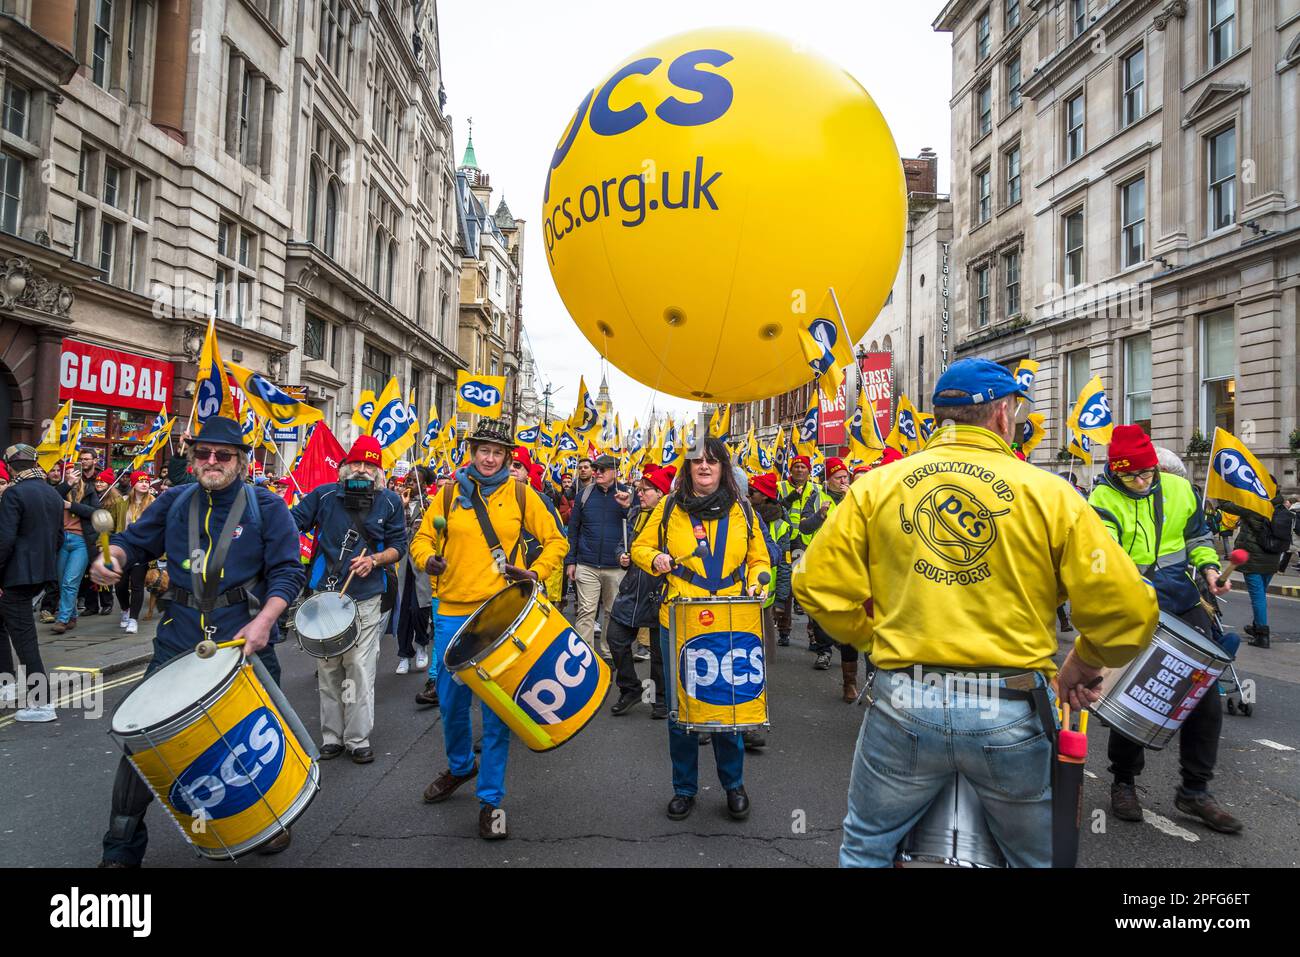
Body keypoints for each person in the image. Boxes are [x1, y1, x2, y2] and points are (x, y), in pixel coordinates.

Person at [794, 358, 1158, 868]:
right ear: (1004, 416)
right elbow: (1127, 607)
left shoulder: (877, 487)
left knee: (866, 848)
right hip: (1009, 707)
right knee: (1037, 859)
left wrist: (875, 639)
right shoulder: (1051, 494)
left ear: (939, 417)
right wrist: (1086, 659)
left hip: (904, 702)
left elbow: (816, 584)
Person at [91, 416, 305, 866]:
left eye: (222, 455)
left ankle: (267, 821)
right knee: (142, 741)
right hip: (179, 639)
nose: (212, 461)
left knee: (249, 741)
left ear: (241, 462)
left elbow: (288, 571)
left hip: (244, 641)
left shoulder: (267, 508)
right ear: (192, 459)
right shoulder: (173, 501)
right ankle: (120, 851)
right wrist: (113, 556)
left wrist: (266, 619)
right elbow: (134, 542)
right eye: (203, 453)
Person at [409, 417, 568, 840]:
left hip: (500, 614)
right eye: (483, 450)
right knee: (451, 702)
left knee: (498, 711)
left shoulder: (522, 494)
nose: (489, 457)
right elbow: (420, 540)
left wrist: (534, 572)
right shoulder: (446, 495)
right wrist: (429, 560)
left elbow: (557, 540)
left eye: (497, 452)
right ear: (472, 451)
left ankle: (490, 800)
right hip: (451, 612)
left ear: (507, 457)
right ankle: (461, 766)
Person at [1089, 424, 1239, 833]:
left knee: (1203, 696)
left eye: (1146, 473)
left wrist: (1210, 568)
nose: (1140, 482)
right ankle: (1124, 781)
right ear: (1114, 472)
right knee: (1138, 697)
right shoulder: (1102, 499)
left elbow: (1198, 539)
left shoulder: (1179, 490)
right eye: (1130, 476)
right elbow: (1108, 558)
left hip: (1183, 601)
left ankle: (1195, 791)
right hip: (1135, 607)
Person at [631, 437, 770, 823]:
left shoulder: (742, 509)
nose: (704, 467)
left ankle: (734, 785)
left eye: (712, 461)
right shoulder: (668, 507)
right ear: (688, 468)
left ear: (724, 468)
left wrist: (759, 579)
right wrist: (654, 557)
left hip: (730, 616)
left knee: (728, 706)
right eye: (697, 462)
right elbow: (640, 548)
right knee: (681, 710)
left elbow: (760, 557)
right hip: (679, 619)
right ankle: (684, 789)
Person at [291, 435, 406, 764]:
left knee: (358, 667)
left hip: (366, 596)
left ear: (379, 471)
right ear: (343, 467)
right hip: (326, 596)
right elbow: (291, 524)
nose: (362, 469)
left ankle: (357, 738)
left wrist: (376, 560)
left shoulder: (390, 502)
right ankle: (332, 737)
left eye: (370, 464)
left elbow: (399, 545)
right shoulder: (323, 496)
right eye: (356, 462)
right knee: (328, 668)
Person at [0, 444, 65, 722]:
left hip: (15, 576)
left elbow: (5, 540)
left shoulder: (15, 492)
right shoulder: (51, 492)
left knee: (25, 639)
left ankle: (41, 703)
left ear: (11, 466)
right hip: (39, 574)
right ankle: (6, 684)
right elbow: (59, 538)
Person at [606, 464, 675, 717]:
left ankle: (660, 699)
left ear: (661, 494)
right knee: (615, 638)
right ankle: (630, 688)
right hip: (632, 589)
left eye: (646, 490)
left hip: (658, 591)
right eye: (640, 489)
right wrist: (621, 556)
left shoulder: (672, 518)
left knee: (659, 652)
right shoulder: (634, 515)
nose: (640, 494)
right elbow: (620, 544)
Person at [565, 453, 630, 660]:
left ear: (615, 472)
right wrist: (571, 561)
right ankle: (585, 657)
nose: (597, 473)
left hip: (615, 566)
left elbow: (636, 528)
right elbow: (573, 529)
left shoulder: (628, 494)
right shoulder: (584, 495)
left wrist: (627, 508)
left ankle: (608, 652)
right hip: (587, 564)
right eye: (596, 469)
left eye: (602, 469)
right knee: (586, 611)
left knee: (612, 611)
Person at [800, 457, 860, 679]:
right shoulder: (817, 498)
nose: (843, 480)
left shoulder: (855, 496)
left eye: (845, 476)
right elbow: (804, 527)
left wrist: (850, 499)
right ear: (828, 480)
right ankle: (824, 651)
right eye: (838, 477)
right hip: (822, 561)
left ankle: (843, 646)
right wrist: (819, 515)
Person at [1219, 492, 1294, 650]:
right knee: (1261, 595)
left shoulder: (1254, 505)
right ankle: (1257, 626)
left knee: (1258, 598)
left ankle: (1262, 635)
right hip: (1272, 559)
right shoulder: (1280, 507)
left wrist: (1222, 489)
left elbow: (1226, 506)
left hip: (1253, 559)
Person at [50, 455, 103, 633]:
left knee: (70, 582)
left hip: (81, 541)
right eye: (70, 471)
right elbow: (50, 499)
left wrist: (70, 506)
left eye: (76, 471)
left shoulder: (88, 490)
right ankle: (72, 615)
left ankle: (62, 619)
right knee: (61, 581)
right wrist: (67, 485)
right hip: (62, 540)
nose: (73, 474)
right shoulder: (59, 490)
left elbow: (95, 512)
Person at [775, 454, 819, 649]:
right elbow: (776, 508)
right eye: (797, 466)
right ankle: (784, 631)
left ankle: (814, 636)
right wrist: (792, 497)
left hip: (808, 544)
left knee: (805, 588)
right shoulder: (780, 487)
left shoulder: (817, 489)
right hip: (788, 542)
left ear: (809, 471)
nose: (800, 470)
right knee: (787, 587)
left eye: (803, 467)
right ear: (791, 469)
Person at [394, 467, 434, 675]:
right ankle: (404, 654)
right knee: (404, 611)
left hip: (420, 563)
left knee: (419, 607)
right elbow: (396, 529)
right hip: (402, 563)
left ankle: (421, 644)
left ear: (424, 485)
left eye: (414, 481)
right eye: (408, 479)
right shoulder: (398, 503)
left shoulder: (431, 503)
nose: (409, 483)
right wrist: (402, 507)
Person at [109, 472, 152, 635]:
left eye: (147, 482)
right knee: (119, 584)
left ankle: (133, 619)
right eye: (141, 481)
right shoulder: (122, 503)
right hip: (123, 547)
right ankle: (125, 610)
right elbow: (111, 524)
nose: (144, 484)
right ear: (133, 484)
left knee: (137, 584)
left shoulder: (154, 503)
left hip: (142, 549)